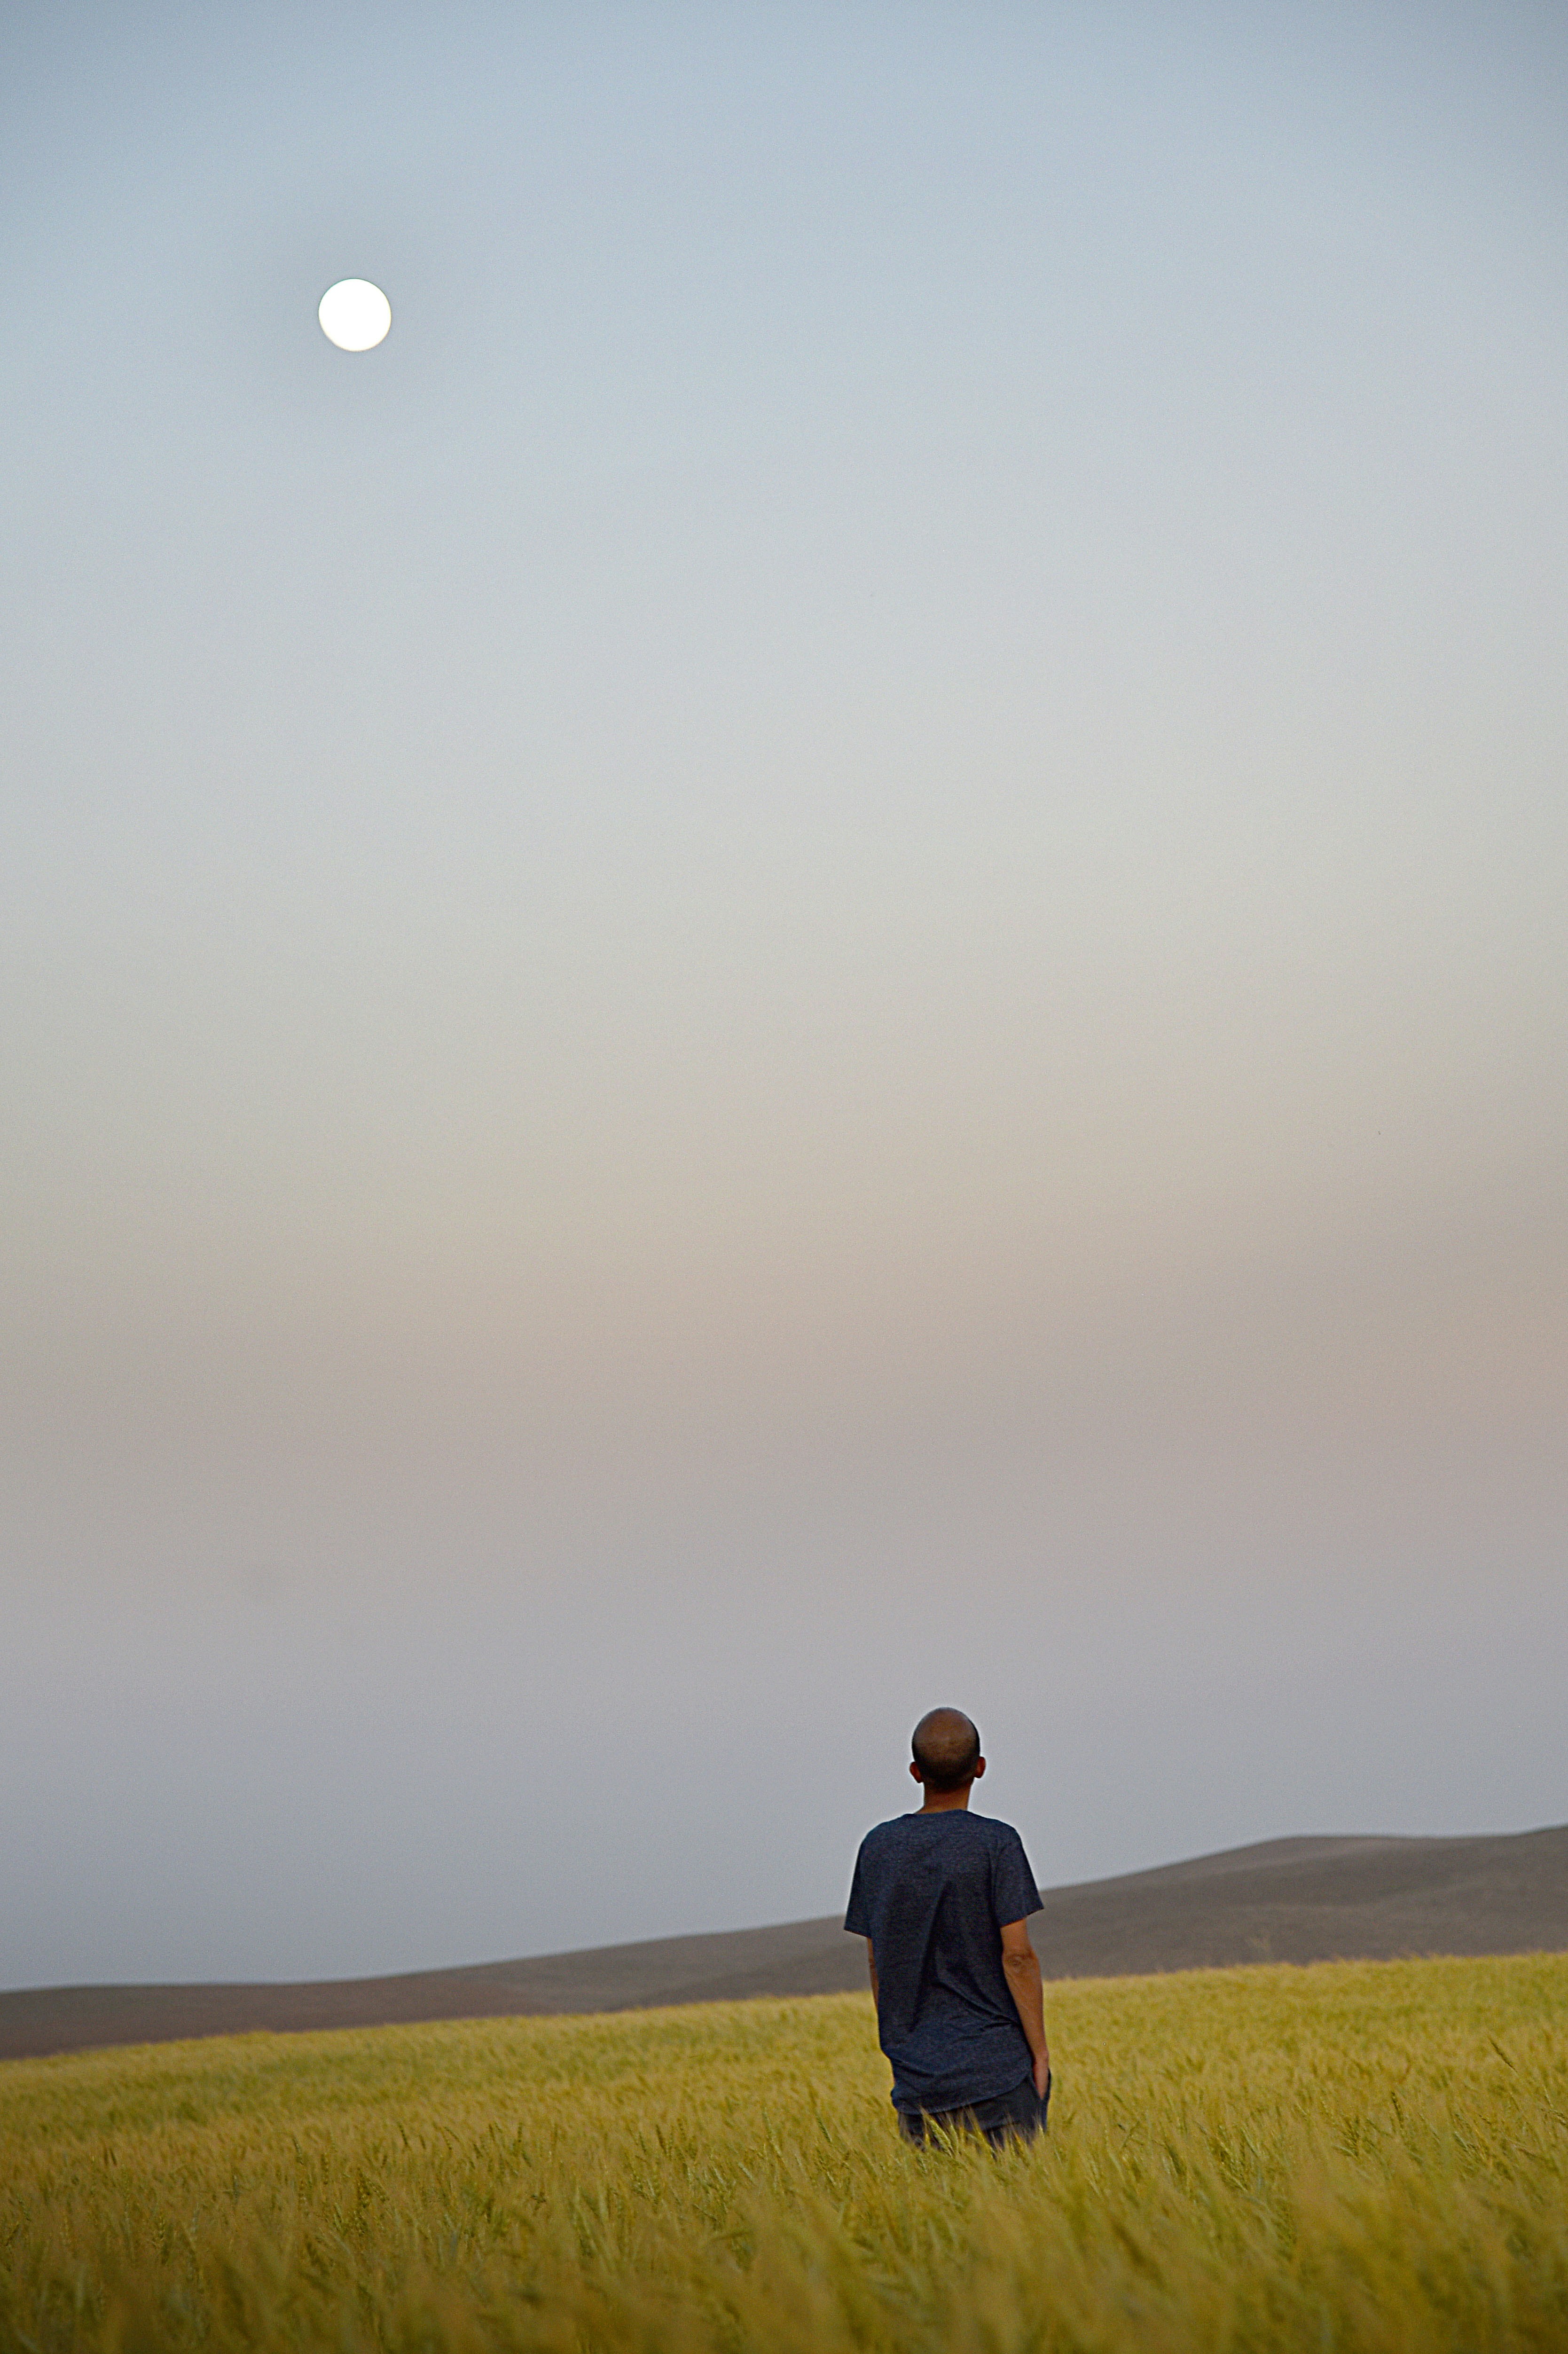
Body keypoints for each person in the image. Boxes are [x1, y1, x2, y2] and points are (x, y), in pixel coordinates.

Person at [845, 1707, 1051, 2146]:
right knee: (1016, 2211)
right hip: (999, 2073)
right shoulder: (998, 1843)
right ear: (980, 1768)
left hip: (920, 2083)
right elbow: (1017, 1956)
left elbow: (877, 1960)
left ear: (916, 1772)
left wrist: (901, 2048)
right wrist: (1040, 2054)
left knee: (938, 2212)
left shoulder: (877, 1847)